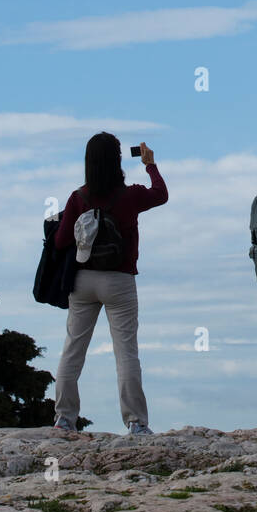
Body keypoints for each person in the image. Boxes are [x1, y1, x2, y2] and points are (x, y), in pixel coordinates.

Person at [52, 133, 168, 438]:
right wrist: (150, 165)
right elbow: (161, 194)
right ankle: (136, 423)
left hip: (83, 280)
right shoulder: (129, 196)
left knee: (73, 349)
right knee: (126, 352)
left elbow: (61, 241)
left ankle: (64, 419)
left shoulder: (78, 197)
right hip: (119, 281)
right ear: (118, 160)